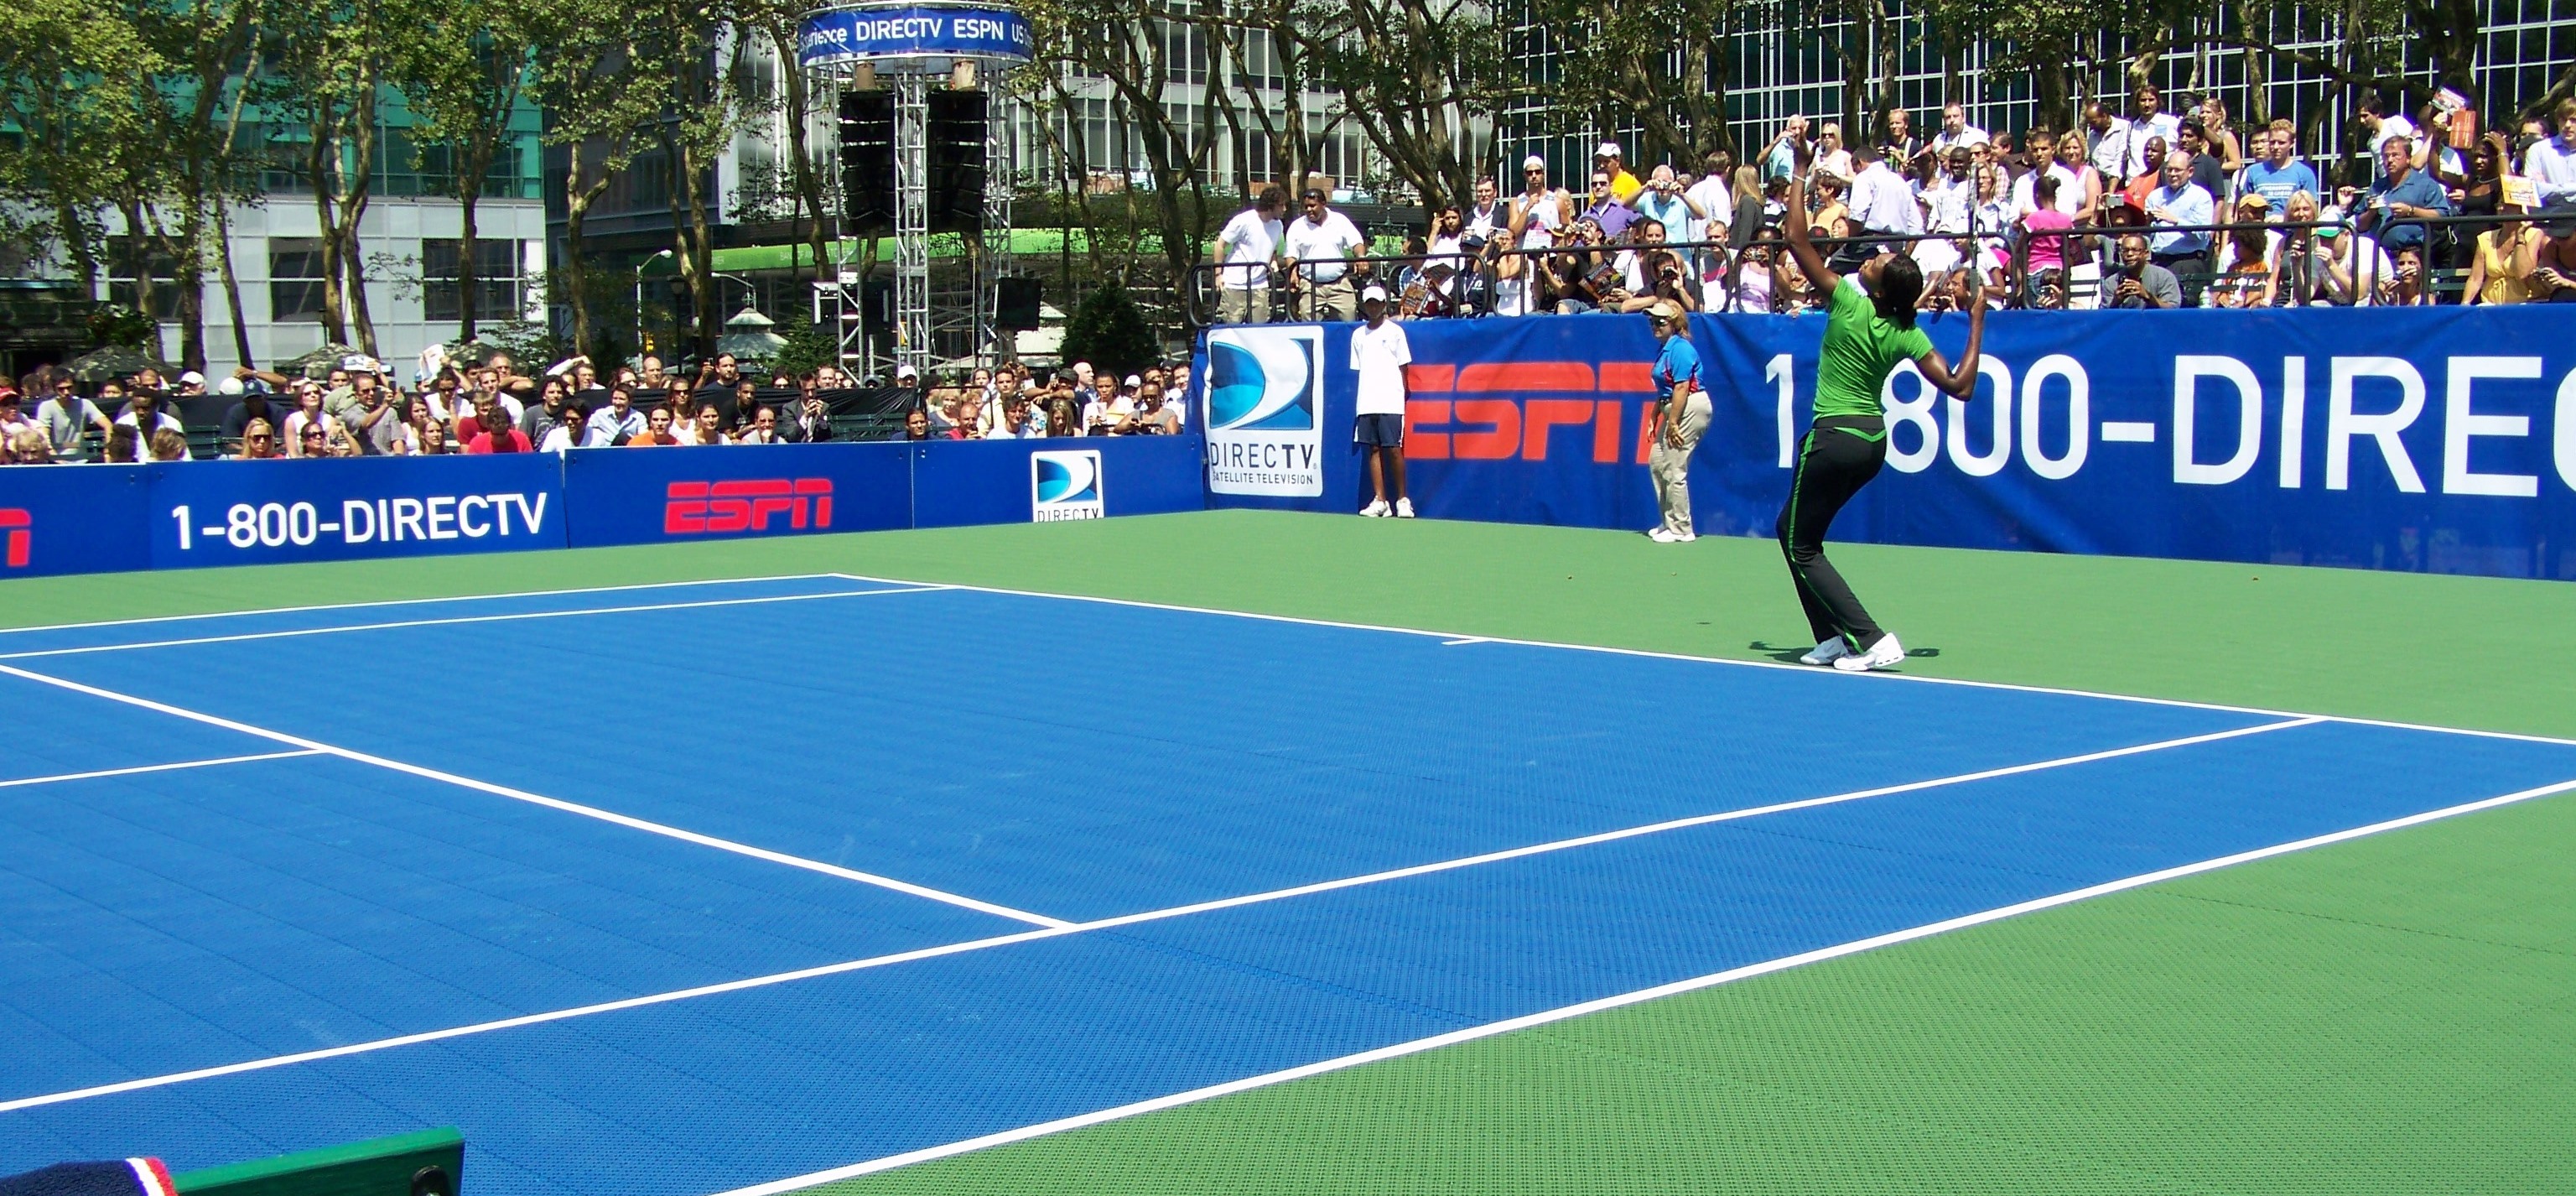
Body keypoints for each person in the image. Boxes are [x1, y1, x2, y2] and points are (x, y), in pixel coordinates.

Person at [1778, 168, 1985, 673]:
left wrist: (1800, 175)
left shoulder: (1849, 300)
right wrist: (1976, 321)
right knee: (1795, 533)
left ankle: (1871, 638)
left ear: (1878, 286)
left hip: (1832, 438)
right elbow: (1961, 386)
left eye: (1879, 261)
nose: (1872, 258)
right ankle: (1830, 637)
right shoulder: (1906, 331)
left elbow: (1795, 239)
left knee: (1799, 543)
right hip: (1872, 443)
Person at [1642, 301, 1706, 543]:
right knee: (1658, 462)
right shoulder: (1666, 348)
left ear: (1675, 322)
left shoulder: (1680, 348)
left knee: (1674, 466)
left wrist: (1674, 422)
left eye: (1661, 321)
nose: (1655, 326)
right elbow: (1666, 389)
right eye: (1652, 322)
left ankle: (1682, 529)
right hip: (1674, 409)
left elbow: (1681, 387)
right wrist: (1654, 416)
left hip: (1690, 407)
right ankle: (1669, 521)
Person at [1349, 284, 1413, 518]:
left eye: (1377, 303)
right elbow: (1359, 368)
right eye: (1369, 303)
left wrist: (1402, 393)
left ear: (1385, 305)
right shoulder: (1357, 336)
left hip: (1390, 400)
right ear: (1364, 306)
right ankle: (1380, 501)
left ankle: (1403, 500)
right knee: (1373, 449)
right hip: (1367, 401)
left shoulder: (1396, 332)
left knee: (1394, 449)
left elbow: (1403, 365)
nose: (1373, 307)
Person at [1282, 189, 1368, 320]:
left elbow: (1356, 242)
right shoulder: (1297, 226)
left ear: (1323, 204)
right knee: (1309, 326)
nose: (1309, 210)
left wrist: (1361, 258)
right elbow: (1291, 254)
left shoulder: (1340, 220)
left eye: (1313, 206)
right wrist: (1293, 273)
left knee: (1348, 322)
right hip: (1310, 285)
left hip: (1339, 283)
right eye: (1306, 206)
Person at [1215, 185, 1286, 323]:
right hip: (1235, 283)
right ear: (1270, 206)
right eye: (1281, 205)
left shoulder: (1278, 225)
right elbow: (1220, 244)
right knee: (1232, 327)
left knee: (1259, 329)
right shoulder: (1244, 221)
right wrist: (1218, 274)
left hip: (1260, 284)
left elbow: (1272, 246)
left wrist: (1273, 261)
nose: (1284, 209)